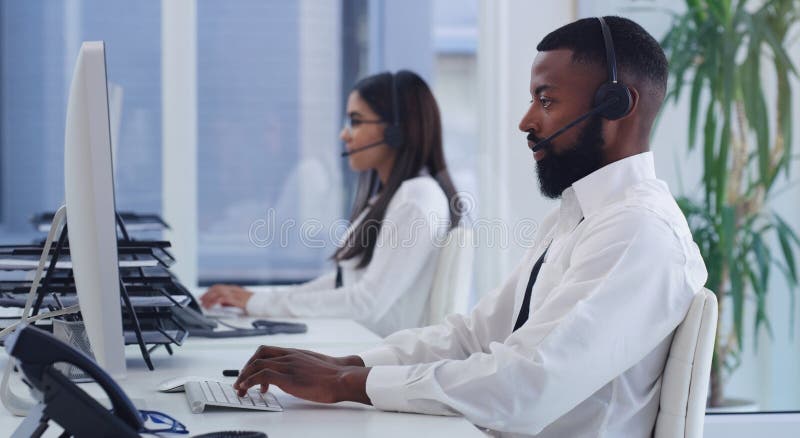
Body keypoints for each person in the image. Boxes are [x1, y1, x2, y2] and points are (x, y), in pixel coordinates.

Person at [231, 16, 708, 437]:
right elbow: (472, 337)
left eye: (546, 100)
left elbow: (527, 386)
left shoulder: (640, 232)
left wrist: (349, 384)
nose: (525, 121)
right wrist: (350, 365)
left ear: (615, 104)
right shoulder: (574, 218)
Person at [199, 70, 462, 337]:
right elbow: (342, 283)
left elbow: (365, 303)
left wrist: (263, 303)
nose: (344, 135)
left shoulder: (416, 200)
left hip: (373, 354)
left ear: (395, 132)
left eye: (356, 122)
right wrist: (259, 299)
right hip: (357, 344)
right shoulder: (392, 198)